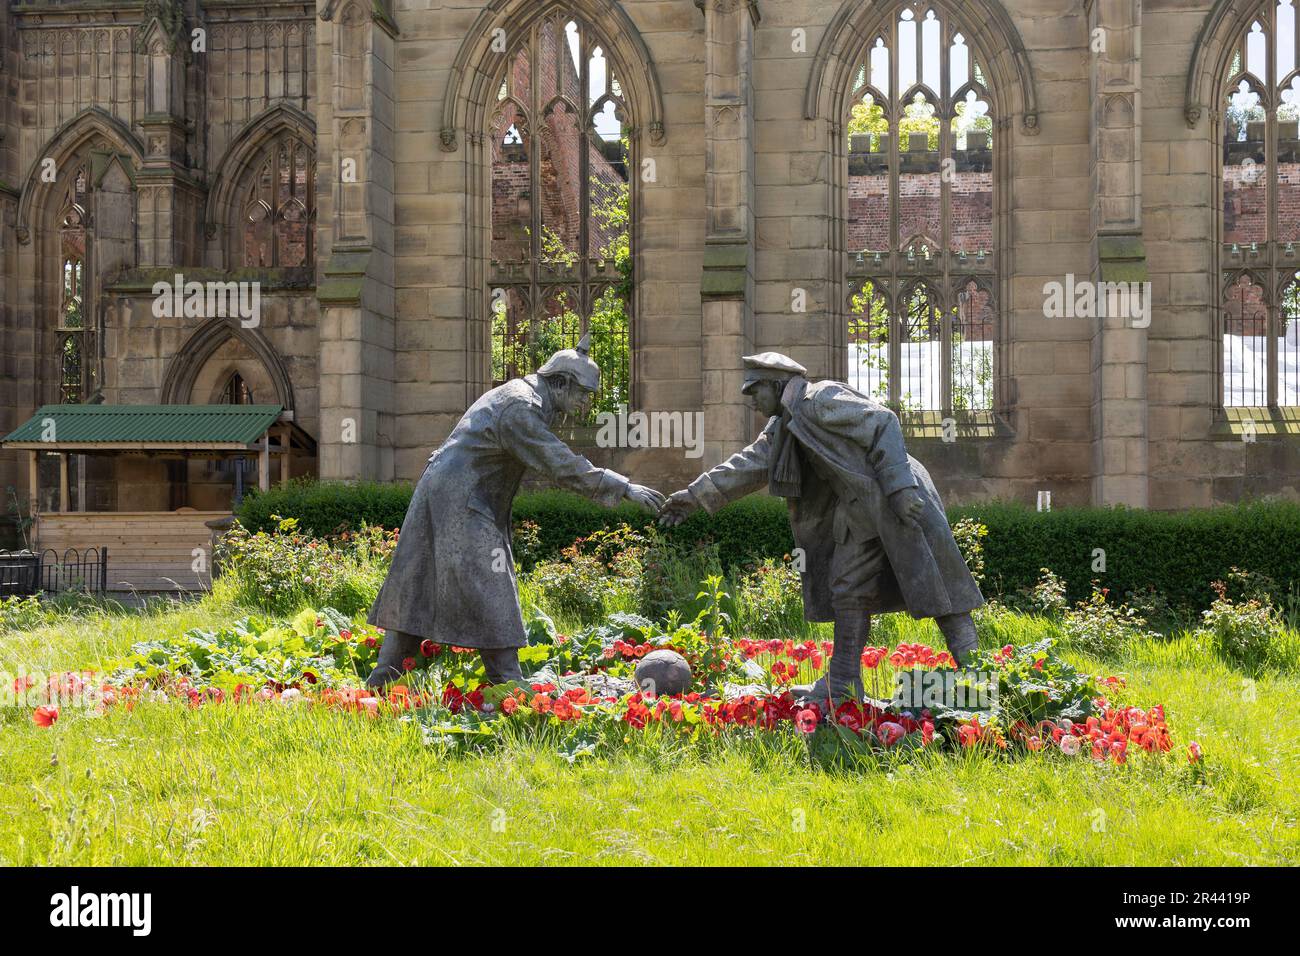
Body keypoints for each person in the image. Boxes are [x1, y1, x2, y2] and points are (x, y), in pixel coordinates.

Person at [659, 352, 983, 701]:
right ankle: (842, 682)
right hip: (859, 510)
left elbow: (884, 421)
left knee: (940, 588)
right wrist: (694, 496)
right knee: (848, 588)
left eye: (754, 390)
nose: (751, 400)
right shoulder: (784, 424)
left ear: (775, 385)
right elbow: (750, 464)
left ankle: (979, 683)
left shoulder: (820, 398)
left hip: (898, 497)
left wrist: (900, 488)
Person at [366, 334, 665, 688]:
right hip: (462, 500)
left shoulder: (528, 399)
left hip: (450, 494)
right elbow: (557, 461)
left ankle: (383, 680)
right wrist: (623, 486)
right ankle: (508, 684)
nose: (586, 403)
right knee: (492, 586)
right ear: (561, 383)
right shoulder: (520, 407)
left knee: (419, 582)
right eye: (583, 393)